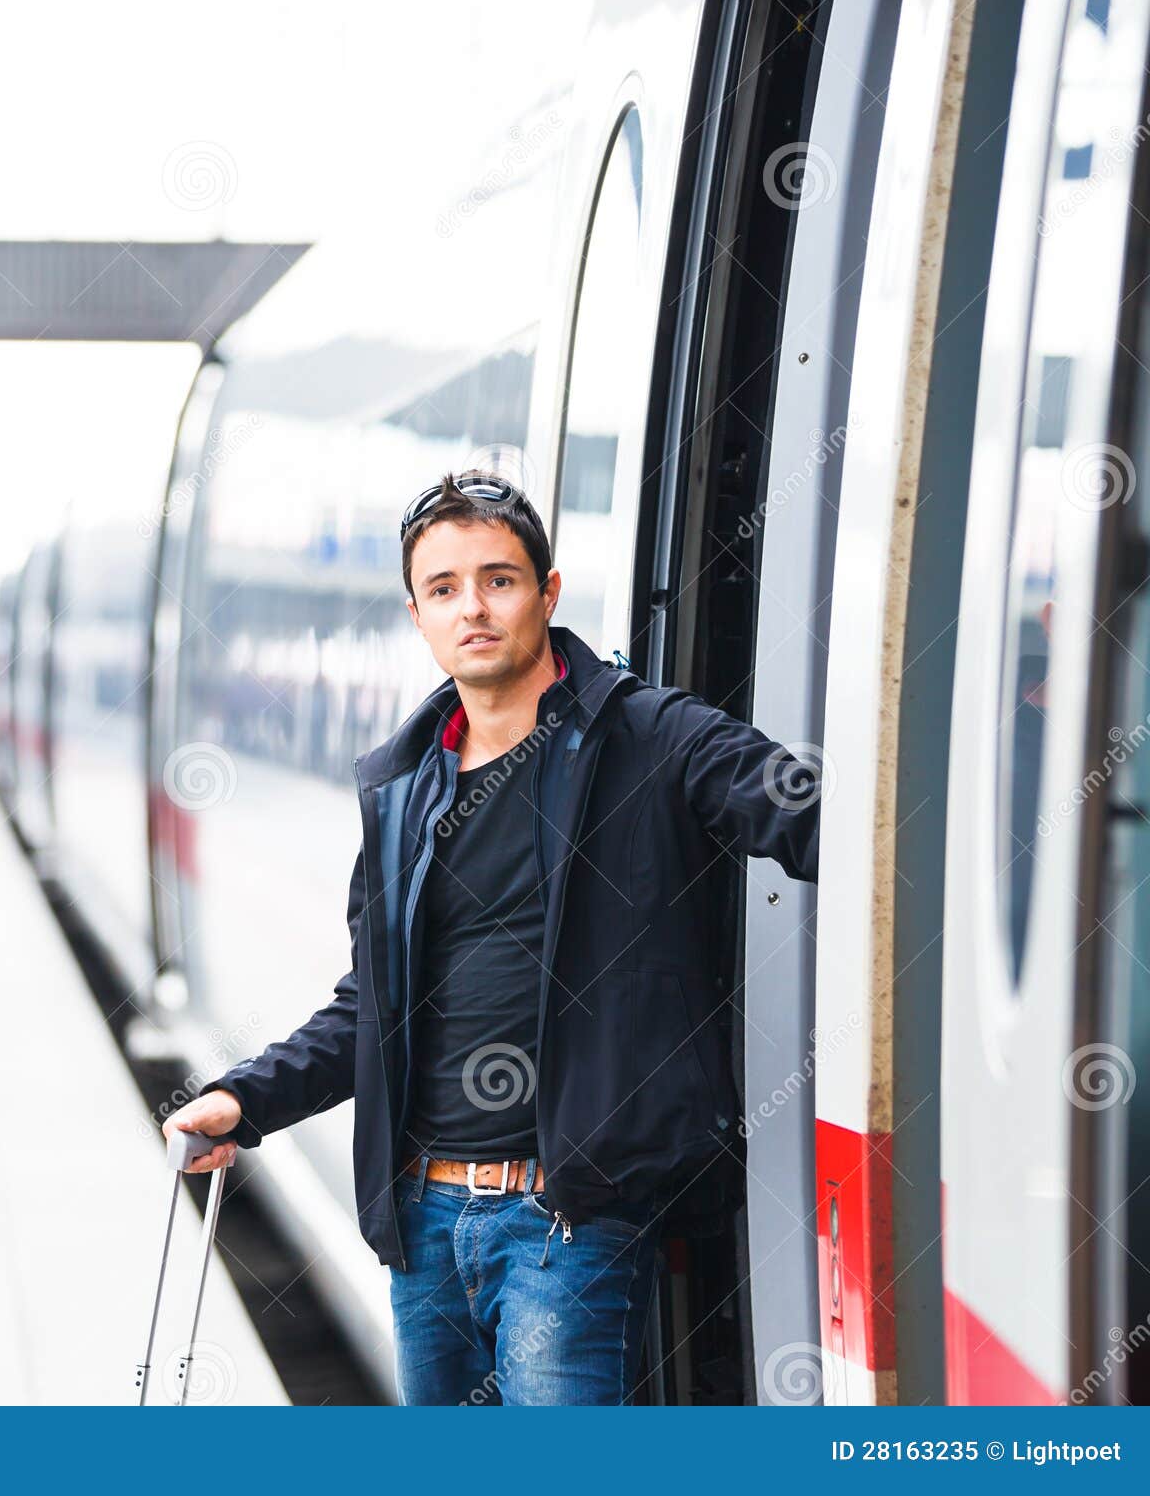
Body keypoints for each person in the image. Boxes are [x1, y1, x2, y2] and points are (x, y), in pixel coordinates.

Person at [162, 470, 822, 1406]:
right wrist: (246, 1099)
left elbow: (815, 818)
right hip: (423, 1223)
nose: (473, 607)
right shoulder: (402, 788)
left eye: (499, 579)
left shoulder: (652, 737)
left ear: (547, 594)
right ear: (417, 615)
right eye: (444, 589)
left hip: (565, 1220)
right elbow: (372, 1007)